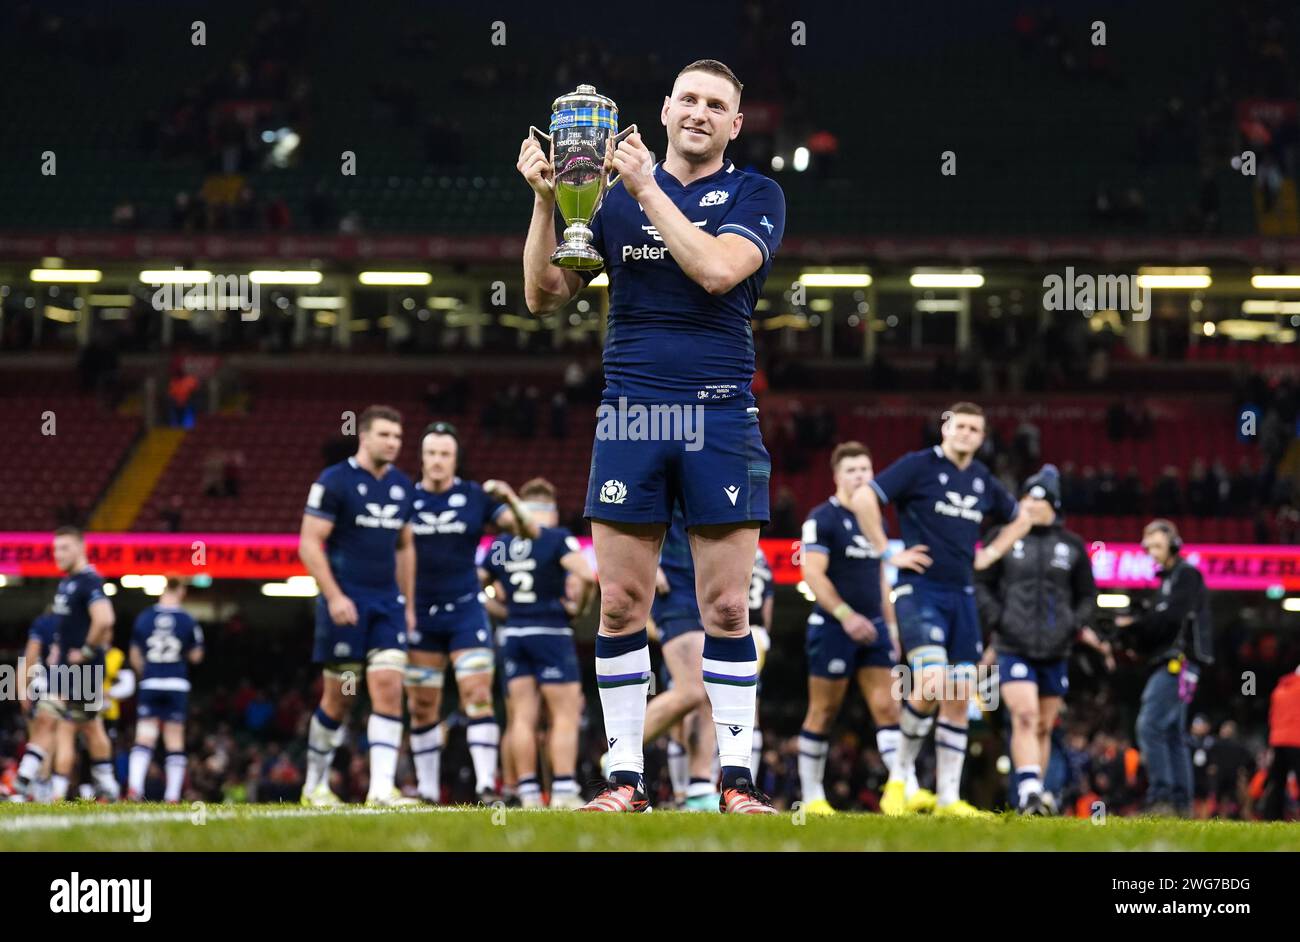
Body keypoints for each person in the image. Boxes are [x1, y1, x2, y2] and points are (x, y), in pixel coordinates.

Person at [520, 58, 785, 813]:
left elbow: (714, 271)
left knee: (728, 610)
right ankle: (623, 782)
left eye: (717, 105)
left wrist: (643, 188)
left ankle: (735, 783)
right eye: (689, 100)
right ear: (664, 110)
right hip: (631, 413)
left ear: (735, 124)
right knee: (619, 606)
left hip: (720, 415)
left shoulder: (754, 193)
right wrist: (547, 205)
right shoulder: (603, 201)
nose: (700, 113)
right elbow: (543, 296)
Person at [848, 403, 1032, 815]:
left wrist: (993, 552)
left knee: (960, 694)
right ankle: (898, 780)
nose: (967, 434)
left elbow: (1020, 518)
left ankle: (949, 797)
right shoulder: (919, 465)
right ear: (946, 428)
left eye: (975, 429)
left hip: (962, 596)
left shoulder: (983, 479)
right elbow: (863, 498)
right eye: (961, 425)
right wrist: (885, 551)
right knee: (932, 683)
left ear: (982, 438)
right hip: (921, 592)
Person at [797, 442, 931, 815]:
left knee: (888, 708)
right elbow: (812, 574)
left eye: (865, 470)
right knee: (823, 711)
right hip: (833, 626)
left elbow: (881, 577)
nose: (859, 476)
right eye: (851, 470)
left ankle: (907, 790)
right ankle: (812, 799)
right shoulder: (821, 518)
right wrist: (845, 616)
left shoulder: (876, 519)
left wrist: (892, 628)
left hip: (874, 627)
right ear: (837, 476)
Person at [406, 421, 535, 804]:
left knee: (477, 694)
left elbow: (528, 531)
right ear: (422, 457)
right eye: (431, 453)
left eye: (445, 454)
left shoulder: (476, 497)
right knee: (422, 704)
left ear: (456, 459)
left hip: (465, 611)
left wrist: (510, 497)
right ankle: (427, 791)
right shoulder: (404, 498)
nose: (437, 461)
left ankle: (484, 787)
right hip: (420, 615)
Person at [299, 405, 418, 807]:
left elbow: (405, 547)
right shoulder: (335, 481)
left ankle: (381, 789)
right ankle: (314, 784)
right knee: (339, 697)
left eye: (398, 437)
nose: (393, 443)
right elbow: (308, 543)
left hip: (387, 605)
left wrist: (408, 604)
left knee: (388, 688)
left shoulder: (403, 486)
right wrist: (334, 596)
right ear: (363, 436)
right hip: (346, 603)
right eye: (385, 435)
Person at [975, 465, 1103, 814]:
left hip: (1056, 648)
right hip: (1012, 645)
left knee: (1044, 725)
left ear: (1052, 504)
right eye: (1025, 497)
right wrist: (997, 620)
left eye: (1036, 497)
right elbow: (982, 582)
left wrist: (1073, 624)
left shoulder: (1072, 546)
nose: (1028, 503)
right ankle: (1031, 790)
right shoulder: (1002, 537)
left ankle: (1034, 798)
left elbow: (1088, 596)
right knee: (1025, 715)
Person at [481, 478, 593, 809]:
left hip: (514, 633)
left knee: (521, 717)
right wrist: (579, 608)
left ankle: (527, 791)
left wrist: (504, 611)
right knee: (564, 715)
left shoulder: (499, 544)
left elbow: (476, 588)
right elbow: (586, 575)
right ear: (549, 510)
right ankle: (562, 789)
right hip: (551, 631)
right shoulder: (556, 538)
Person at [1114, 519, 1214, 817]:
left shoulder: (1186, 575)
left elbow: (1171, 618)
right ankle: (1181, 803)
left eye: (1157, 545)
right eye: (1148, 546)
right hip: (1178, 663)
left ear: (1173, 545)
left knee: (1150, 726)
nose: (1151, 551)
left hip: (1178, 662)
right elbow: (1162, 622)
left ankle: (1162, 798)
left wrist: (1137, 624)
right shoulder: (1169, 579)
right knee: (1172, 733)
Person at [43, 527, 119, 801]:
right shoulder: (68, 582)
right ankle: (106, 785)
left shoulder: (89, 581)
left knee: (50, 719)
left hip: (80, 670)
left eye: (64, 548)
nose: (58, 555)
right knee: (89, 726)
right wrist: (56, 649)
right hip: (67, 667)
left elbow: (105, 620)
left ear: (80, 548)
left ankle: (30, 786)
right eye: (55, 549)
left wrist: (86, 651)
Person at [128, 577, 204, 802]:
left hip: (151, 681)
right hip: (176, 683)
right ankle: (172, 796)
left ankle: (134, 790)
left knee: (144, 737)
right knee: (174, 739)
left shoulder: (145, 617)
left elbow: (134, 655)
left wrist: (148, 672)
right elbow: (197, 655)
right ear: (180, 589)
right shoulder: (187, 619)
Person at [14, 609, 61, 800]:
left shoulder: (39, 637)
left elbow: (23, 664)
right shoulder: (67, 633)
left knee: (38, 738)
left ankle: (36, 784)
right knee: (49, 740)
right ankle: (42, 785)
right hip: (52, 690)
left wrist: (20, 692)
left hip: (36, 691)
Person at [1263, 664, 1300, 820]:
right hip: (1297, 740)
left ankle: (1271, 817)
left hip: (1278, 741)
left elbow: (1272, 717)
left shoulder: (1280, 689)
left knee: (1277, 783)